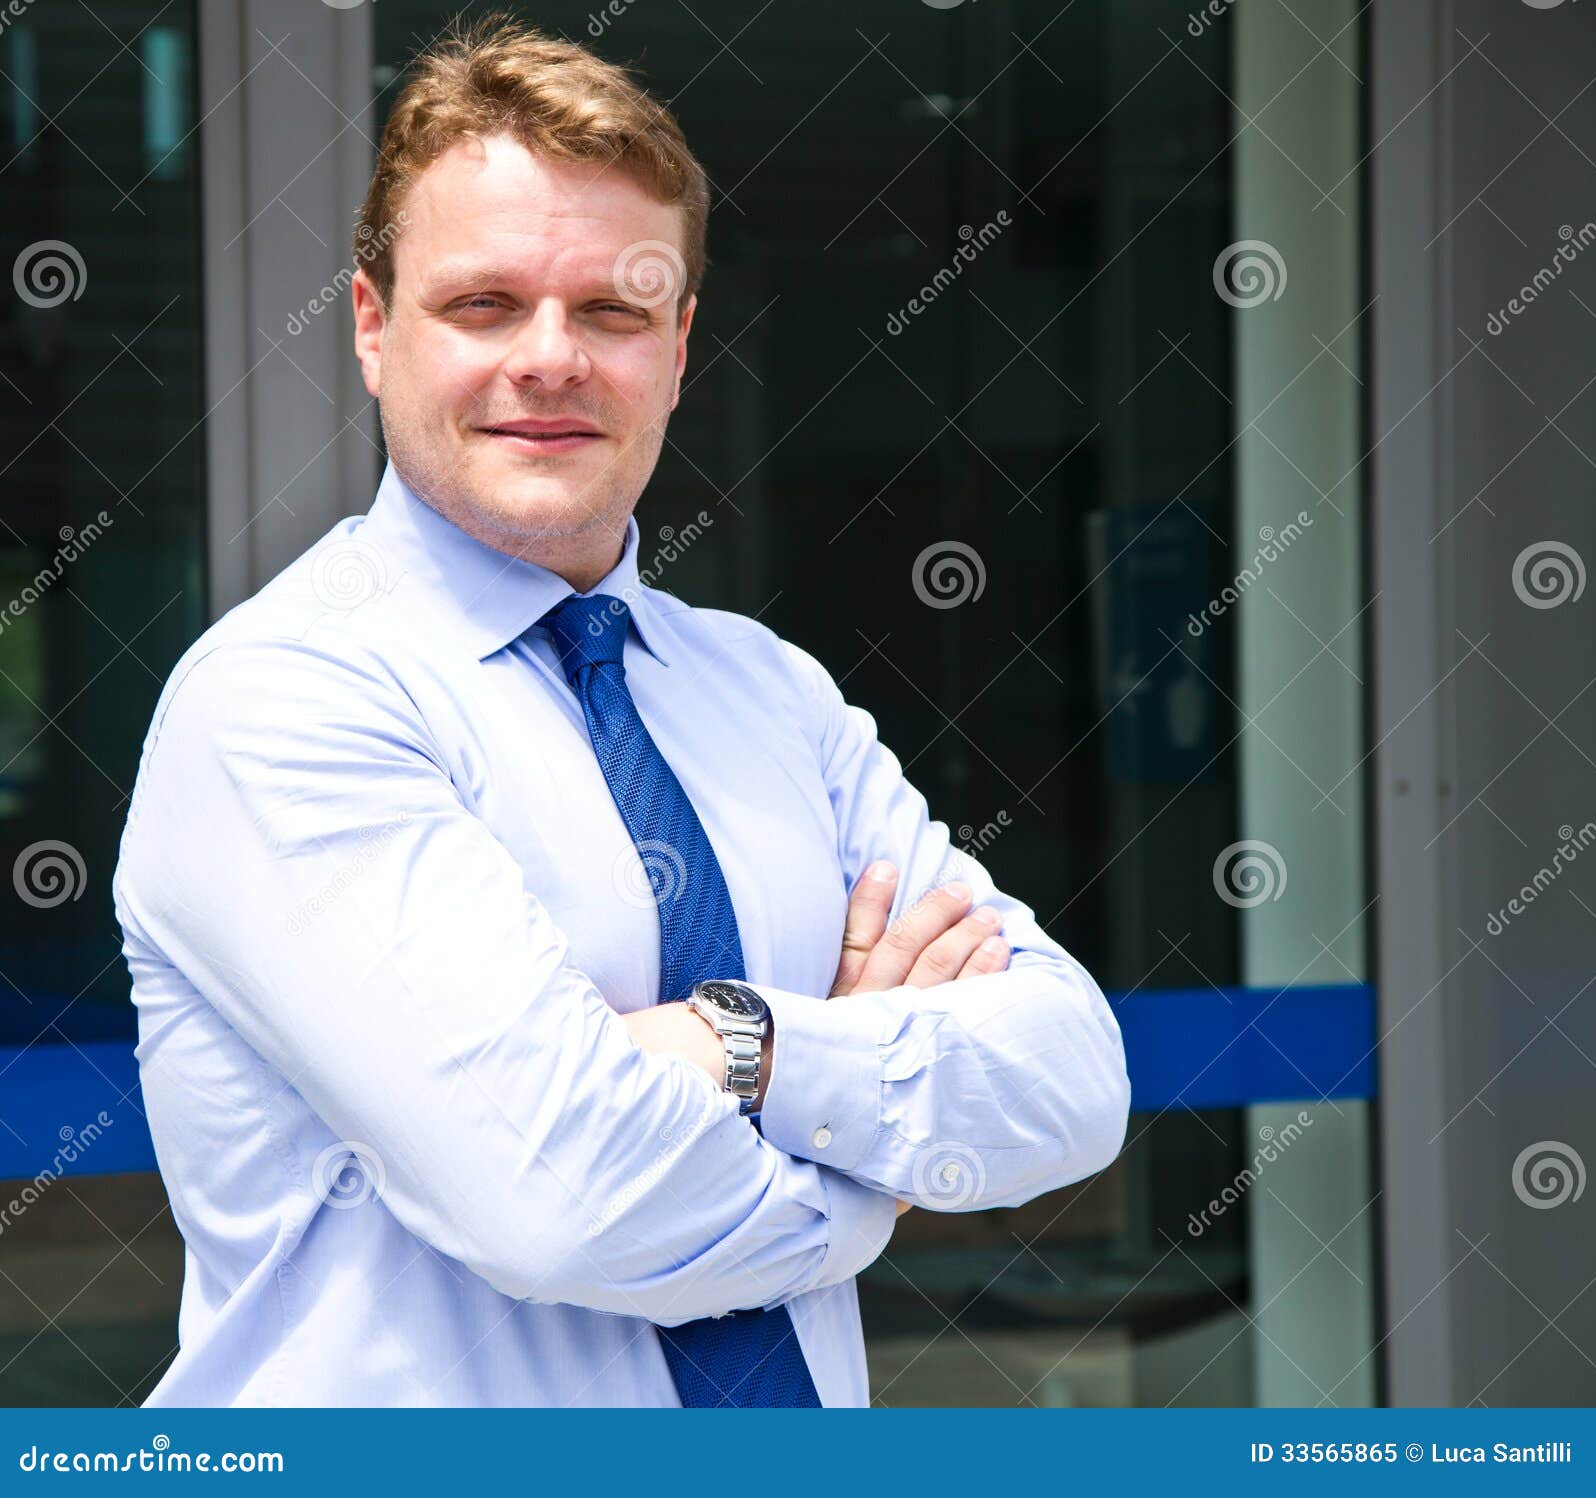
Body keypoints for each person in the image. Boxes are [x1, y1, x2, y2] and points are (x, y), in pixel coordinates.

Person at [112, 15, 1129, 1408]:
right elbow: (563, 1195)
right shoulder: (285, 700)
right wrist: (871, 1191)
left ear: (679, 341)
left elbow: (1071, 1080)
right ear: (370, 323)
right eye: (483, 305)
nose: (552, 359)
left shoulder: (768, 694)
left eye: (610, 309)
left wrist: (741, 1042)